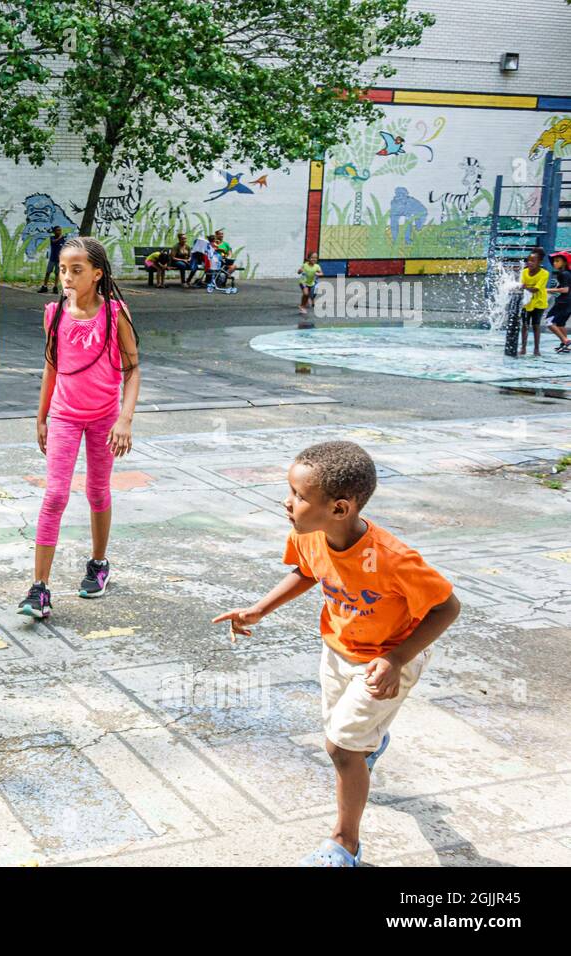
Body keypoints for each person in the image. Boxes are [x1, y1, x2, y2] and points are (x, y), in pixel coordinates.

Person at [213, 441, 460, 866]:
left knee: (340, 749)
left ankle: (344, 843)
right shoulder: (309, 534)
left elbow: (447, 607)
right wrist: (258, 610)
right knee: (343, 737)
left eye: (299, 496)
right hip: (338, 650)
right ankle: (369, 744)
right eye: (290, 491)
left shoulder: (393, 558)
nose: (287, 502)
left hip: (387, 660)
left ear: (341, 509)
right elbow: (307, 572)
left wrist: (397, 659)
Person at [19, 237, 141, 620]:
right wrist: (41, 417)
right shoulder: (54, 313)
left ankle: (99, 563)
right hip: (65, 417)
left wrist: (125, 418)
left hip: (105, 418)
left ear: (97, 274)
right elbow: (52, 367)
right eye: (62, 269)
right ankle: (39, 588)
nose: (67, 277)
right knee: (54, 495)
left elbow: (133, 368)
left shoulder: (116, 313)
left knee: (96, 490)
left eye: (77, 269)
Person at [519, 247, 549, 356]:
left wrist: (523, 287)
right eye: (528, 260)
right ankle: (523, 348)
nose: (530, 263)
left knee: (536, 325)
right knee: (525, 324)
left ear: (539, 262)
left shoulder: (544, 273)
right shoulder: (524, 272)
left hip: (539, 302)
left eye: (533, 261)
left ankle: (536, 349)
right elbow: (522, 285)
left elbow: (536, 289)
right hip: (526, 302)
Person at [546, 250, 571, 353]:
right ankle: (565, 345)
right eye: (554, 261)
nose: (554, 263)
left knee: (549, 321)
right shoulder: (568, 273)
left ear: (564, 262)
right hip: (568, 303)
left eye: (557, 261)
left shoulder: (563, 274)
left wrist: (548, 290)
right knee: (560, 324)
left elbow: (565, 290)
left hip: (563, 302)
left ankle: (566, 341)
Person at [38, 225, 67, 295]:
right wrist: (60, 237)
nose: (59, 232)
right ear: (54, 232)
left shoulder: (63, 239)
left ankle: (55, 287)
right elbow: (54, 242)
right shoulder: (52, 238)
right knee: (48, 272)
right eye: (58, 230)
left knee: (57, 274)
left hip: (59, 260)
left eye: (60, 230)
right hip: (52, 259)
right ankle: (44, 286)